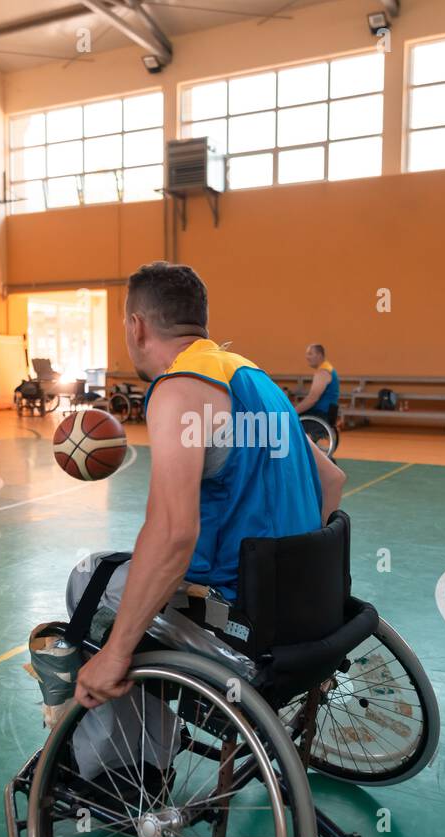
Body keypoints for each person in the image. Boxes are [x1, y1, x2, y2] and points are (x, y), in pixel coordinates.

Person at [58, 263, 346, 717]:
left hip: (241, 620)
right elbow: (332, 481)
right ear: (200, 321)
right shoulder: (254, 378)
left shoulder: (178, 391)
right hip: (308, 609)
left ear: (137, 327)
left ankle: (133, 765)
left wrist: (115, 653)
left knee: (90, 579)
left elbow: (174, 534)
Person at [294, 343, 341, 442]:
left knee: (287, 418)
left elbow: (312, 399)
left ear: (319, 355)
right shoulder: (328, 369)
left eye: (310, 354)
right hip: (326, 412)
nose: (307, 357)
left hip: (320, 414)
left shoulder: (323, 372)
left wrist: (294, 411)